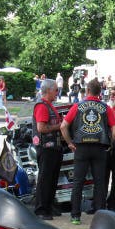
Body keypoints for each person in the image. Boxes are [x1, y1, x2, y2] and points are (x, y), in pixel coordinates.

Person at [60, 78, 115, 224]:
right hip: (99, 147)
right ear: (100, 92)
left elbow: (63, 126)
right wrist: (110, 142)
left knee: (78, 182)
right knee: (100, 182)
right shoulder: (105, 107)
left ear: (87, 91)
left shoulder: (77, 106)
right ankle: (100, 215)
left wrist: (69, 143)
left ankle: (75, 216)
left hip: (81, 147)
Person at [32, 78, 64, 220]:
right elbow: (41, 128)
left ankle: (49, 206)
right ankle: (41, 209)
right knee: (45, 179)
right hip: (46, 148)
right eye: (56, 90)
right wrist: (60, 126)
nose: (57, 92)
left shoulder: (49, 105)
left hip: (53, 147)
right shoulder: (42, 106)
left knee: (52, 178)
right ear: (49, 90)